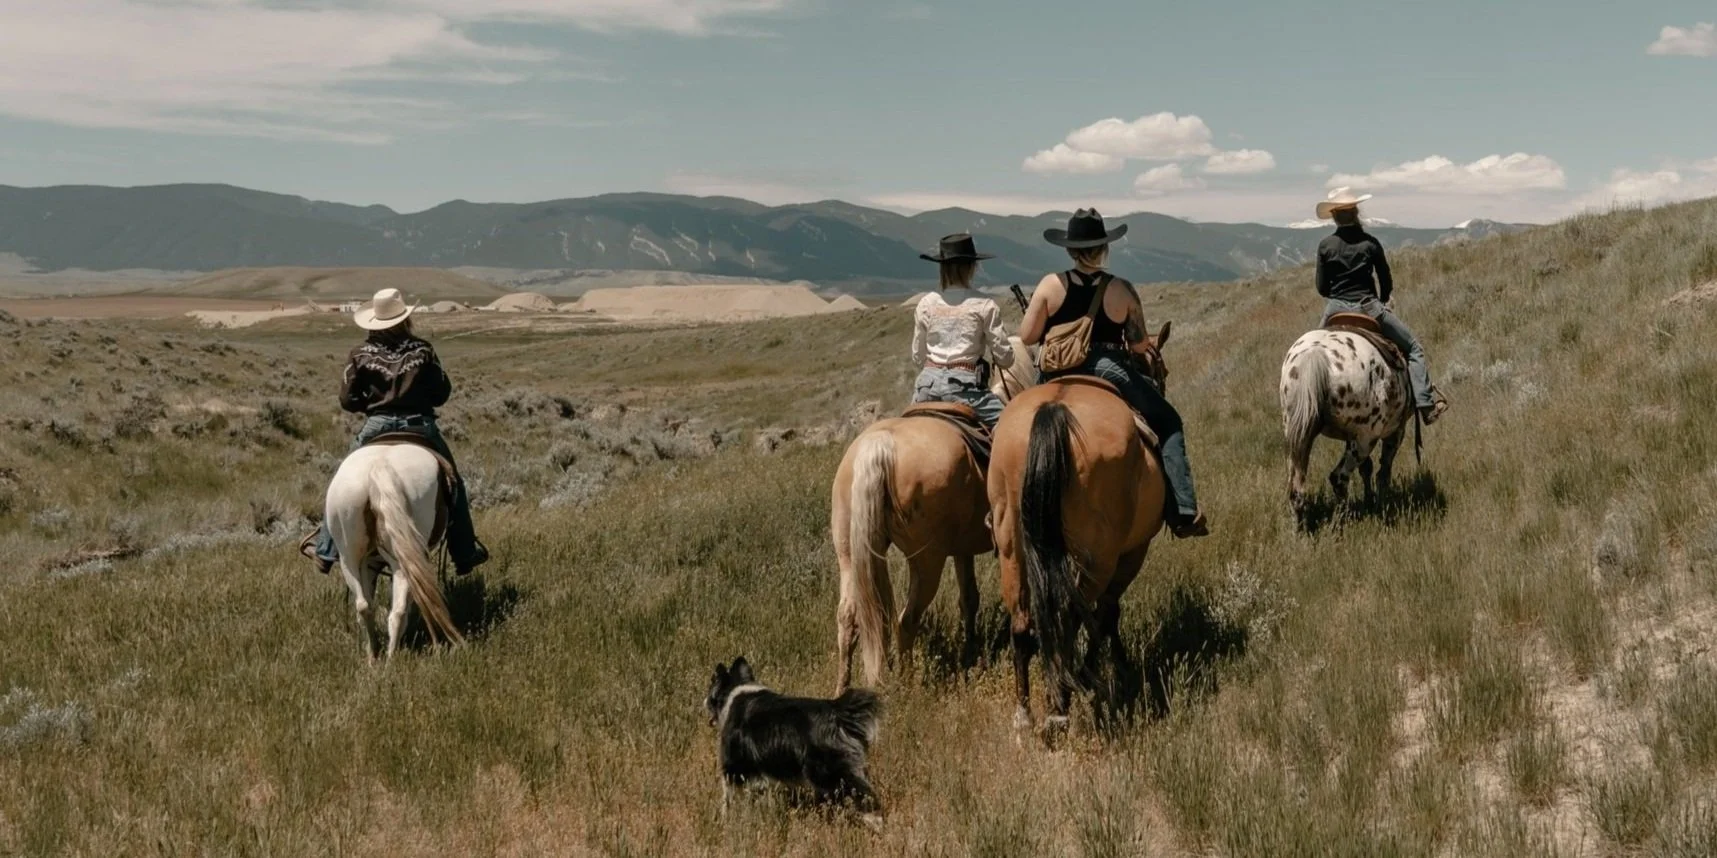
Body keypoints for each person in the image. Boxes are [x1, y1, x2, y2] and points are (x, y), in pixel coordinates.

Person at [1018, 209, 1209, 538]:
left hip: (1053, 374)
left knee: (1015, 423)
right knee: (1168, 422)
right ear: (1104, 248)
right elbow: (1137, 345)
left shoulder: (1050, 284)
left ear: (1069, 249)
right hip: (1108, 368)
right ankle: (1183, 511)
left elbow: (1027, 337)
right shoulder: (1120, 289)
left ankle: (1001, 506)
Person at [299, 288, 490, 576]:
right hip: (419, 425)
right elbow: (442, 393)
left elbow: (346, 400)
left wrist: (370, 404)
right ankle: (464, 553)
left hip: (377, 425)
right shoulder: (423, 350)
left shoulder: (359, 354)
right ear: (405, 319)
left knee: (340, 480)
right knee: (454, 484)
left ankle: (326, 551)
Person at [1314, 187, 1450, 425]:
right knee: (1414, 348)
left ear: (1334, 216)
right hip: (1369, 307)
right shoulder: (1370, 244)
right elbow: (1385, 280)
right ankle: (1426, 406)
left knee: (1312, 351)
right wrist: (1384, 299)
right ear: (1356, 212)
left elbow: (1322, 288)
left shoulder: (1325, 246)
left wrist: (1337, 297)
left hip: (1335, 308)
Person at [910, 233, 1016, 431]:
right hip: (966, 391)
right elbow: (1005, 359)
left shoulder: (925, 303)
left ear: (942, 267)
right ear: (972, 267)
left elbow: (918, 357)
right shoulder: (985, 305)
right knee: (1011, 425)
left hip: (926, 387)